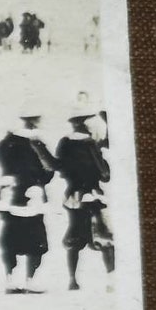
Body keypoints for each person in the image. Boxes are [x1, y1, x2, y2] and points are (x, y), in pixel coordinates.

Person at [0, 103, 56, 292]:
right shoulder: (33, 143)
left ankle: (14, 279)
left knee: (14, 239)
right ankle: (26, 280)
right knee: (31, 239)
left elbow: (1, 157)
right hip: (28, 194)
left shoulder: (9, 142)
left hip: (16, 193)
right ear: (34, 121)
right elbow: (49, 169)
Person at [57, 109, 114, 289]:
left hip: (75, 195)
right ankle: (111, 279)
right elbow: (104, 174)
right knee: (102, 236)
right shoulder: (90, 144)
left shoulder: (66, 143)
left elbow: (61, 168)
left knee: (76, 238)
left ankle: (73, 280)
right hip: (91, 194)